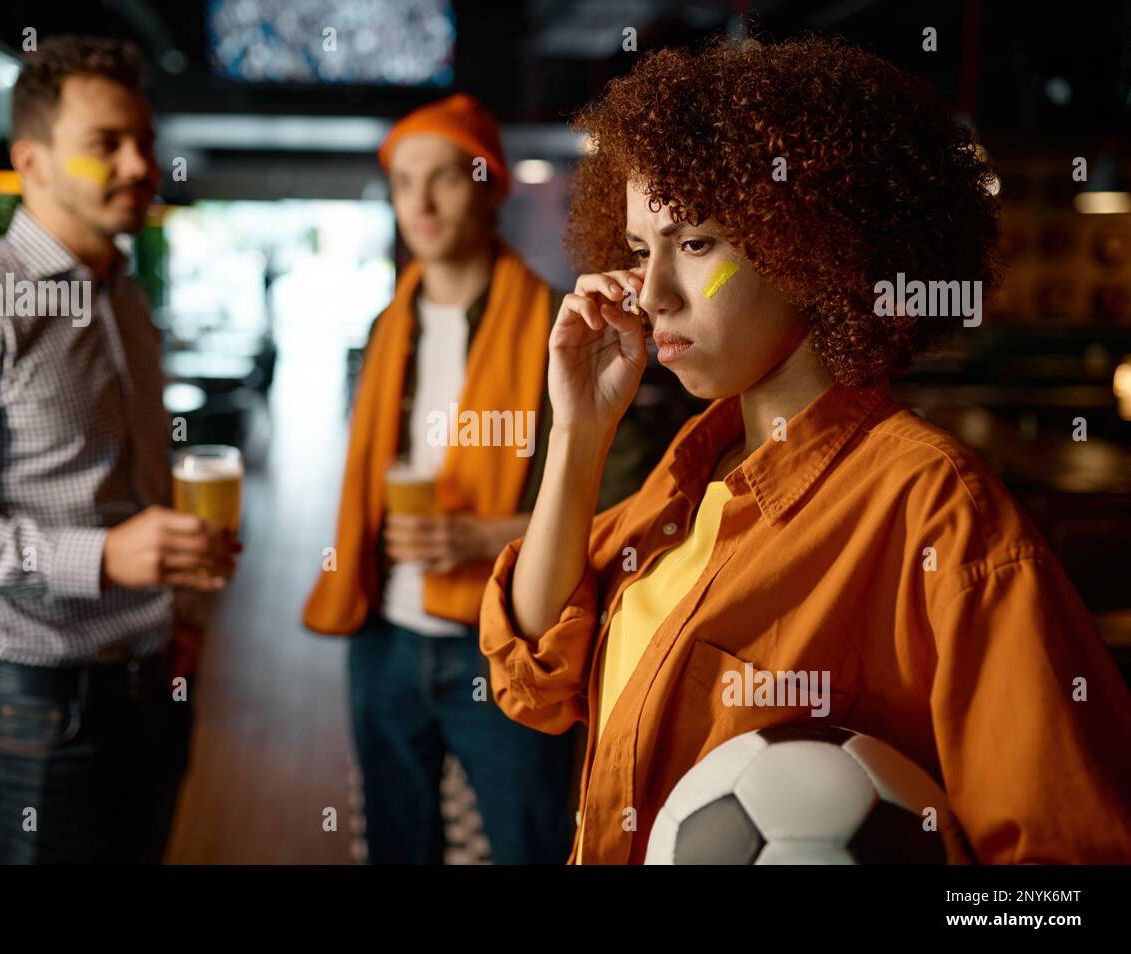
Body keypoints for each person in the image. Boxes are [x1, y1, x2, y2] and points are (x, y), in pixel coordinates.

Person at [479, 36, 1131, 864]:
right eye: (642, 251)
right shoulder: (692, 476)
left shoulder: (938, 515)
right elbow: (533, 680)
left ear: (811, 246)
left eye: (698, 244)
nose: (650, 293)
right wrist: (576, 431)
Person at [0, 35, 237, 864]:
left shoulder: (126, 298)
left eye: (143, 140)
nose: (141, 164)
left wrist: (175, 594)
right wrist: (102, 556)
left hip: (152, 684)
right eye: (106, 144)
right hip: (29, 711)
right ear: (30, 161)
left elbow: (120, 487)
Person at [303, 93, 686, 864]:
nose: (422, 200)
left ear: (490, 185)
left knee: (530, 843)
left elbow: (625, 502)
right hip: (383, 636)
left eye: (445, 176)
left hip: (503, 642)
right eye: (405, 181)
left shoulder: (565, 326)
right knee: (396, 844)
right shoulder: (388, 323)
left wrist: (482, 535)